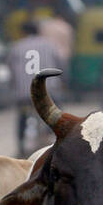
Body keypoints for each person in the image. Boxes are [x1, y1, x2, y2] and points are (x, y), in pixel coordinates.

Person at [8, 21, 62, 154]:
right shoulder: (49, 45)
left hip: (24, 93)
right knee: (56, 115)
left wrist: (14, 87)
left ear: (23, 32)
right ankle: (60, 140)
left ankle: (21, 146)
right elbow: (60, 64)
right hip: (48, 90)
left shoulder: (16, 47)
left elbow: (12, 70)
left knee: (22, 116)